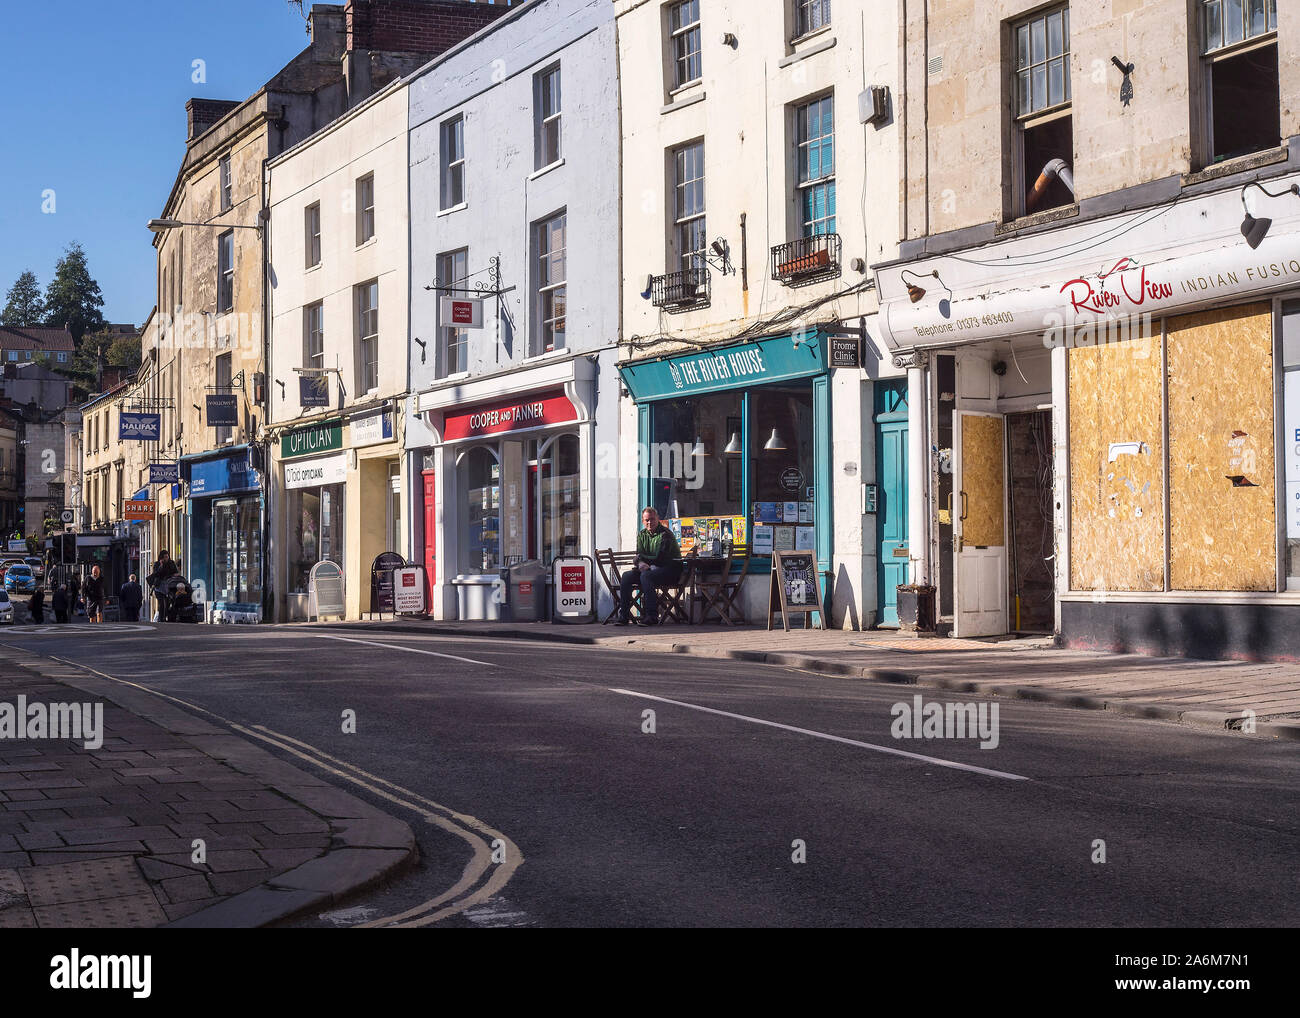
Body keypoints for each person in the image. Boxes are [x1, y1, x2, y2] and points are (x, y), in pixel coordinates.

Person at [617, 506, 683, 626]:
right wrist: (640, 562)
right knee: (626, 576)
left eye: (652, 519)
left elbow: (660, 557)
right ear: (643, 521)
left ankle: (651, 616)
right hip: (650, 569)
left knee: (646, 577)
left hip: (670, 571)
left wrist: (640, 561)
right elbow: (639, 554)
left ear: (657, 519)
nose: (649, 522)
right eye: (646, 520)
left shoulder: (665, 534)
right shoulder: (642, 535)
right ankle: (624, 616)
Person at [147, 549, 179, 622]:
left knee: (168, 602)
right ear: (161, 557)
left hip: (169, 585)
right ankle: (161, 619)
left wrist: (175, 575)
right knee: (161, 603)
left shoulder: (172, 563)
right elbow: (156, 574)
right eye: (164, 557)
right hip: (159, 586)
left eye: (167, 557)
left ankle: (165, 617)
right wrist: (161, 566)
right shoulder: (157, 564)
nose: (166, 558)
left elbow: (176, 572)